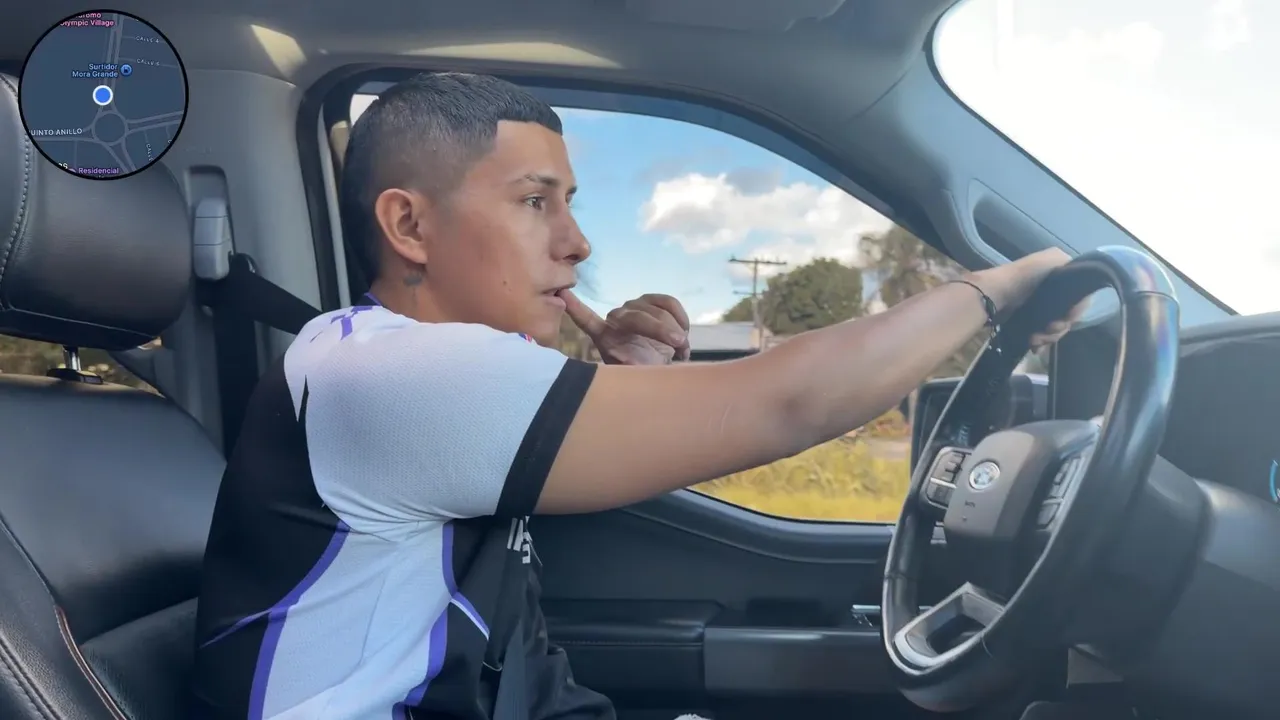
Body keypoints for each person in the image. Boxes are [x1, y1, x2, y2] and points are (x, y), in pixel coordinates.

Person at [190, 72, 1076, 720]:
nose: (577, 242)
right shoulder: (386, 375)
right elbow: (787, 403)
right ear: (409, 225)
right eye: (535, 202)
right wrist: (997, 290)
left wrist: (613, 392)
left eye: (570, 202)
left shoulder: (405, 376)